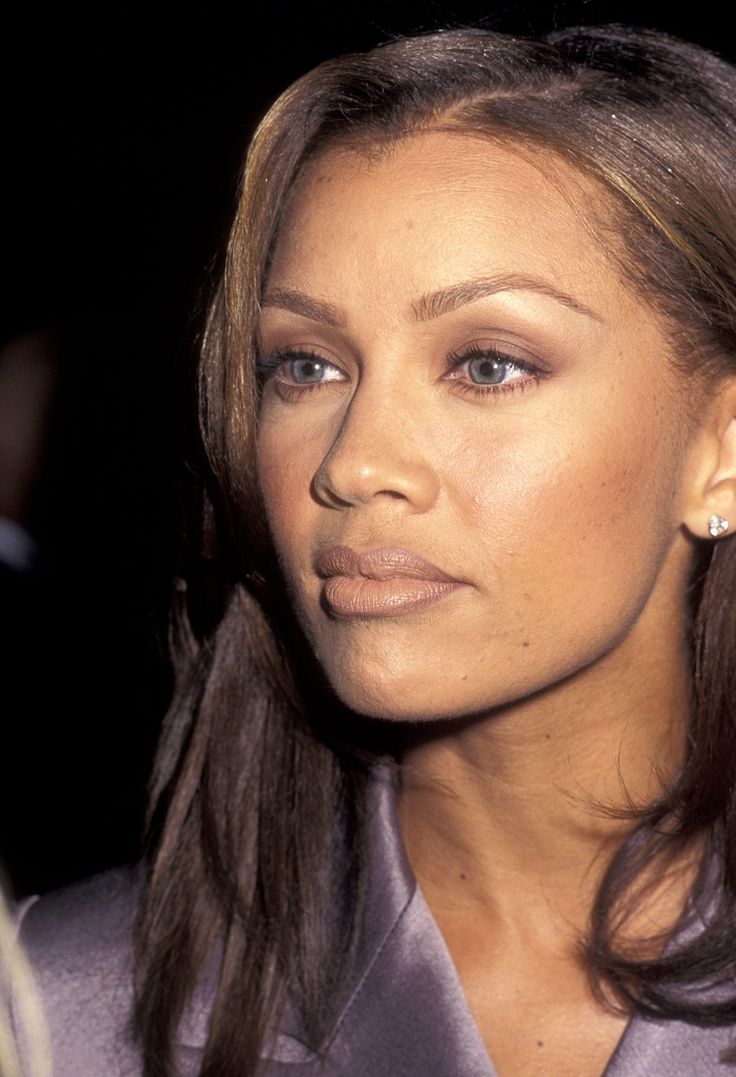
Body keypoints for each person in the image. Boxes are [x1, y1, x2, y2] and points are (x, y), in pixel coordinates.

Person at [17, 21, 736, 1077]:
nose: (353, 464)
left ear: (722, 449)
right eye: (304, 367)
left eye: (487, 365)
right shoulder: (56, 1014)